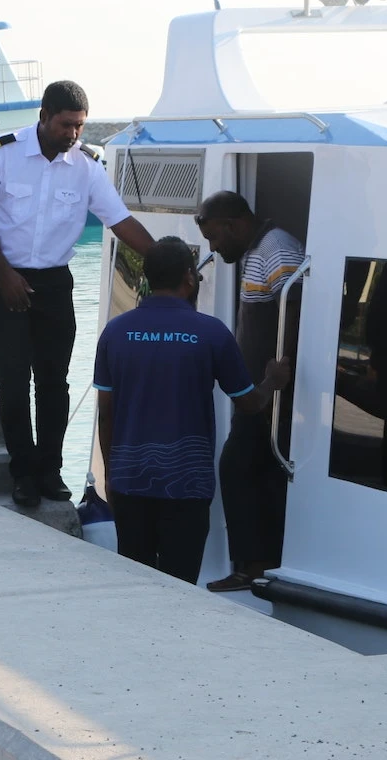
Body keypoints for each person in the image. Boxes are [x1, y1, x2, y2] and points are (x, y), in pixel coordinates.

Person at [0, 80, 154, 508]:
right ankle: (23, 472)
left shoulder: (86, 165)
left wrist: (163, 260)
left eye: (80, 127)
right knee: (12, 380)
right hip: (2, 276)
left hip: (53, 283)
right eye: (66, 124)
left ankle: (50, 470)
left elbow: (118, 221)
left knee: (54, 382)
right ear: (44, 115)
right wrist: (6, 274)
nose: (73, 134)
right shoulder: (2, 151)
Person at [93, 237, 291, 584]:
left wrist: (111, 476)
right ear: (189, 277)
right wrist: (272, 381)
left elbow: (106, 413)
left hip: (129, 482)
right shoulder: (211, 333)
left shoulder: (115, 332)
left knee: (134, 581)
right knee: (180, 587)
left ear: (146, 277)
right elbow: (248, 403)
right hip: (186, 485)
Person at [194, 191, 303, 592]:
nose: (213, 247)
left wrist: (281, 367)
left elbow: (296, 305)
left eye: (215, 237)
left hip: (269, 392)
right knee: (251, 471)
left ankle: (252, 566)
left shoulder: (276, 248)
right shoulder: (258, 250)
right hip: (258, 391)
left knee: (238, 467)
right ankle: (258, 564)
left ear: (234, 225)